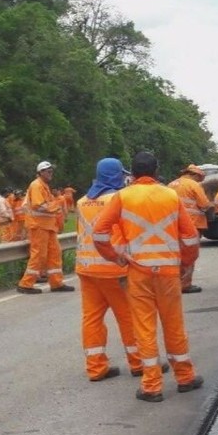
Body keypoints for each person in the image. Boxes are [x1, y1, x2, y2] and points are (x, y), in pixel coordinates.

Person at [92, 151, 203, 402]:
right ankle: (185, 377)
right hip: (168, 272)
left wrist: (115, 256)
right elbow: (190, 238)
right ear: (156, 171)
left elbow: (99, 233)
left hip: (138, 272)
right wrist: (185, 264)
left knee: (144, 327)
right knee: (174, 324)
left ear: (132, 172)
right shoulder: (171, 196)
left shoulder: (122, 196)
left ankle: (152, 385)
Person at [76, 159, 147, 382]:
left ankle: (96, 367)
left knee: (92, 318)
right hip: (113, 268)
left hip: (86, 268)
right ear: (116, 176)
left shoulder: (82, 202)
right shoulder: (117, 199)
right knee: (127, 316)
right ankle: (138, 363)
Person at [16, 161, 73, 294]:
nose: (50, 173)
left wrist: (54, 207)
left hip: (48, 226)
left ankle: (56, 283)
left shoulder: (44, 186)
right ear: (40, 172)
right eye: (48, 171)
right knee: (39, 255)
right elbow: (39, 205)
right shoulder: (36, 185)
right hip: (39, 226)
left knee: (55, 253)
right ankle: (25, 284)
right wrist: (55, 207)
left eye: (51, 171)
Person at [168, 164, 213, 293]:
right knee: (189, 255)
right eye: (199, 178)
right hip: (191, 225)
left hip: (173, 225)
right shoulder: (193, 185)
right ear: (194, 175)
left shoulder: (171, 185)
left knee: (176, 255)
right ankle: (185, 284)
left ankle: (174, 283)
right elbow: (204, 205)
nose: (200, 181)